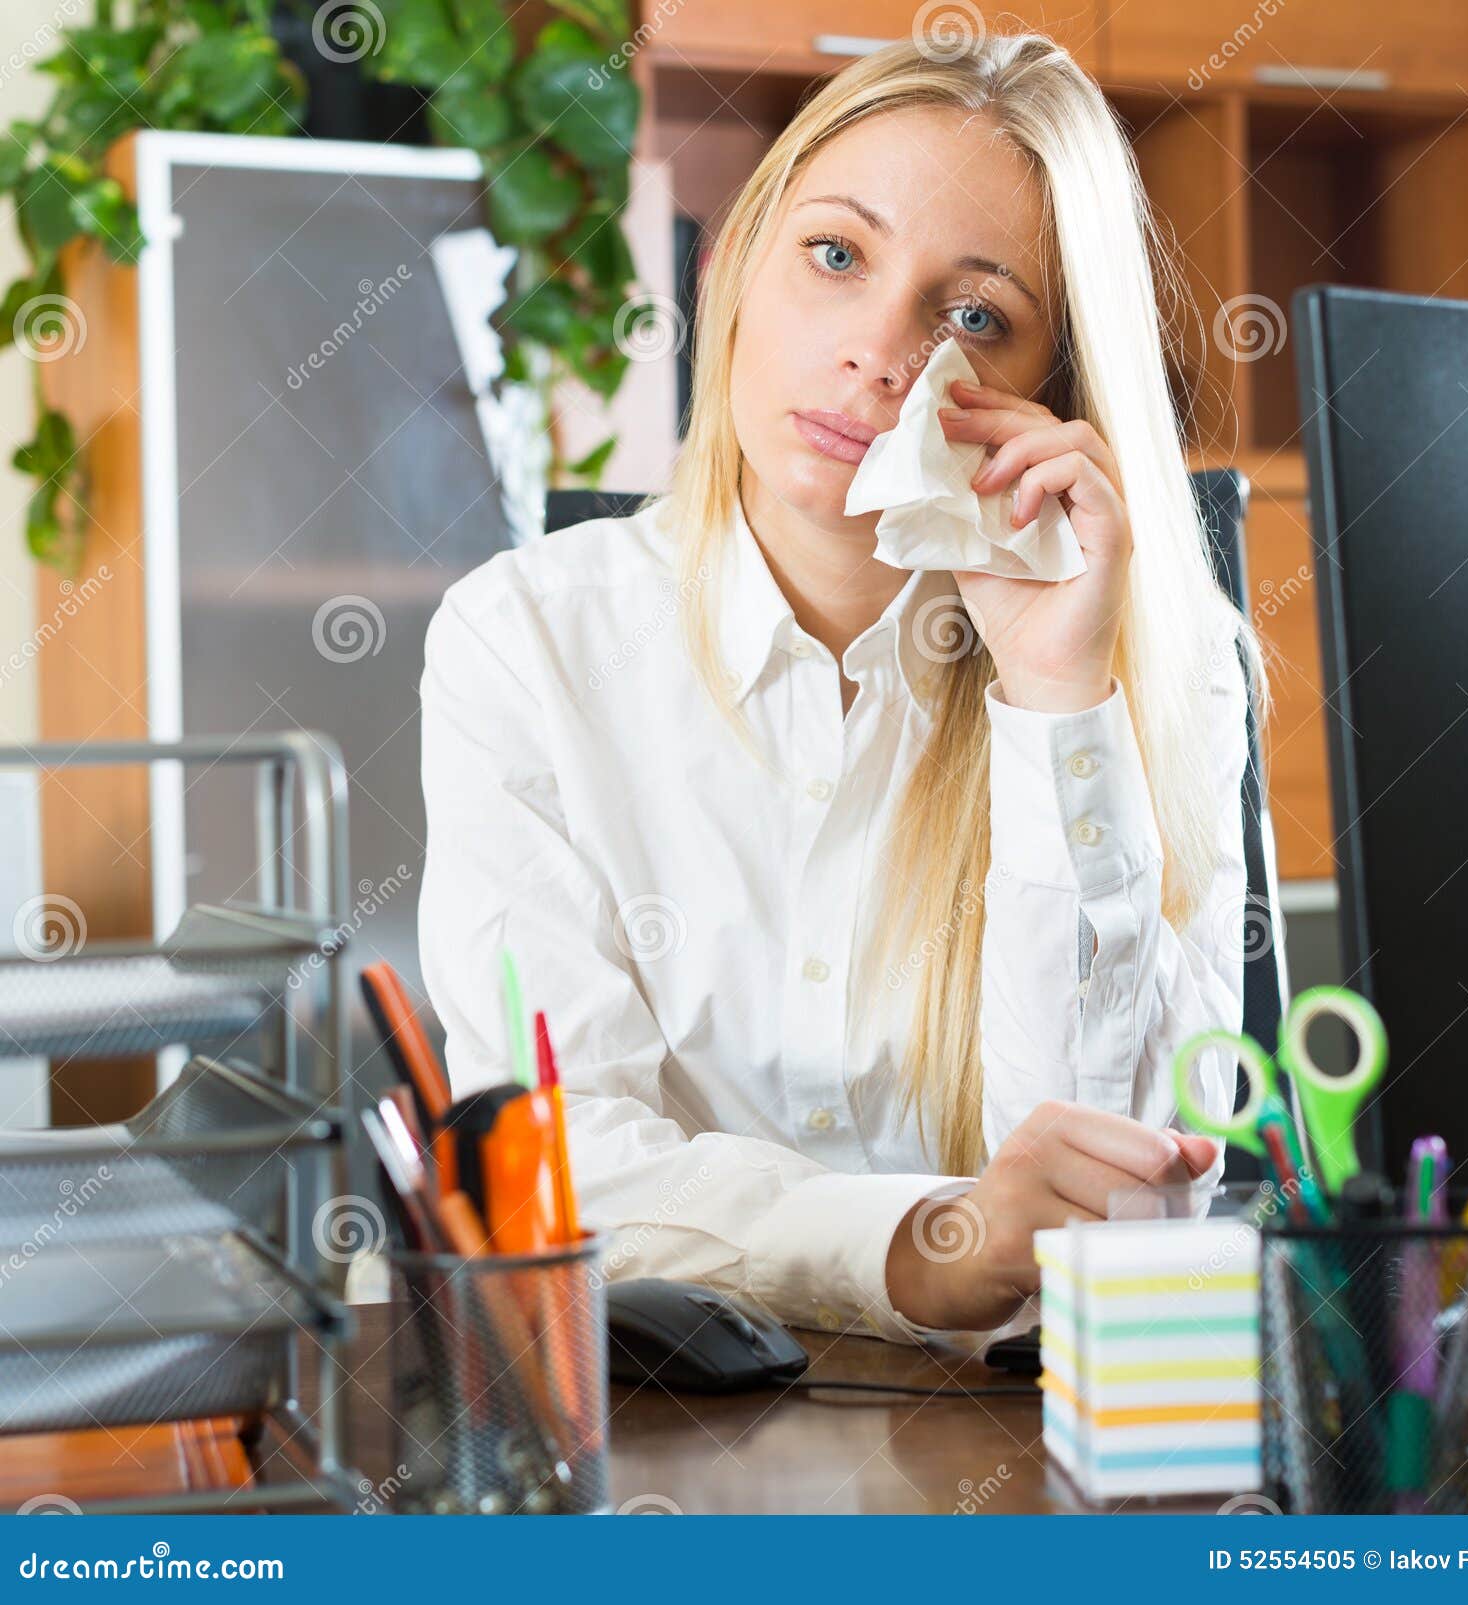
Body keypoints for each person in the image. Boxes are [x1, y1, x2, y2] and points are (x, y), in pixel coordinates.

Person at [418, 30, 1259, 1345]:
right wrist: (920, 1245)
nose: (882, 351)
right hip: (663, 1457)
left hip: (1032, 1446)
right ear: (734, 268)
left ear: (1049, 389)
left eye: (973, 314)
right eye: (837, 255)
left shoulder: (1166, 663)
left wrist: (1054, 701)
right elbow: (556, 1161)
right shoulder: (525, 642)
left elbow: (1121, 1199)